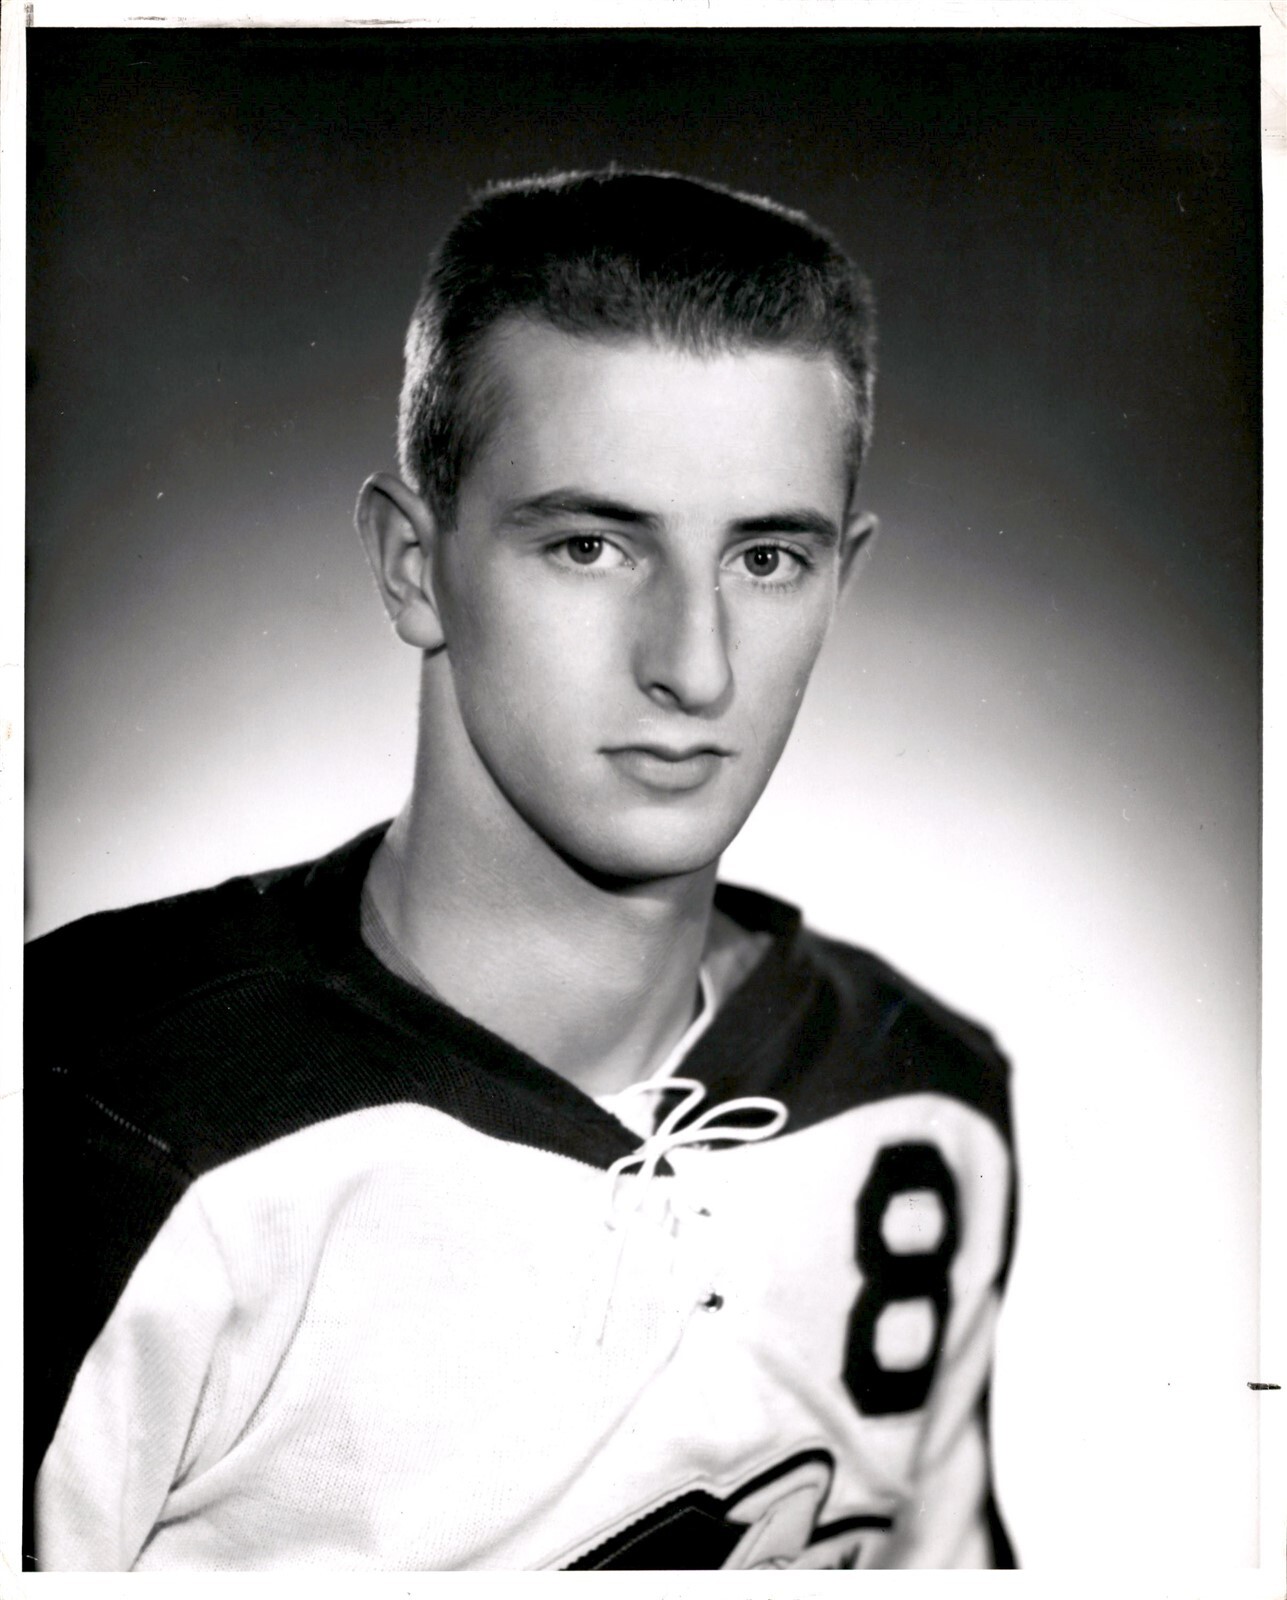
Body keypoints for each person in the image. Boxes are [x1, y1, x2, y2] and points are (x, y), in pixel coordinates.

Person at [24, 169, 1017, 1571]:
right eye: (592, 545)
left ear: (841, 579)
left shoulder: (922, 1097)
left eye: (768, 556)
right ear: (413, 565)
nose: (694, 664)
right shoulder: (96, 1115)